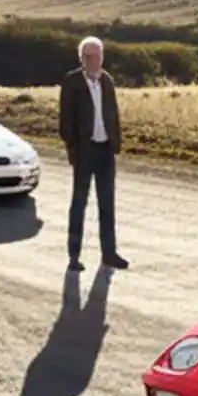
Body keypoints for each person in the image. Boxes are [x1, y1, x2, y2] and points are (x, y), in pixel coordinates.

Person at [58, 36, 128, 271]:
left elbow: (113, 113)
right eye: (87, 56)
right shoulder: (72, 82)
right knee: (79, 203)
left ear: (102, 57)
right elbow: (65, 121)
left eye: (96, 56)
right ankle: (74, 256)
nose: (92, 61)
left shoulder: (107, 80)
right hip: (85, 150)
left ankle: (109, 253)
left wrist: (115, 143)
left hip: (105, 150)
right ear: (81, 58)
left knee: (107, 204)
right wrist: (75, 147)